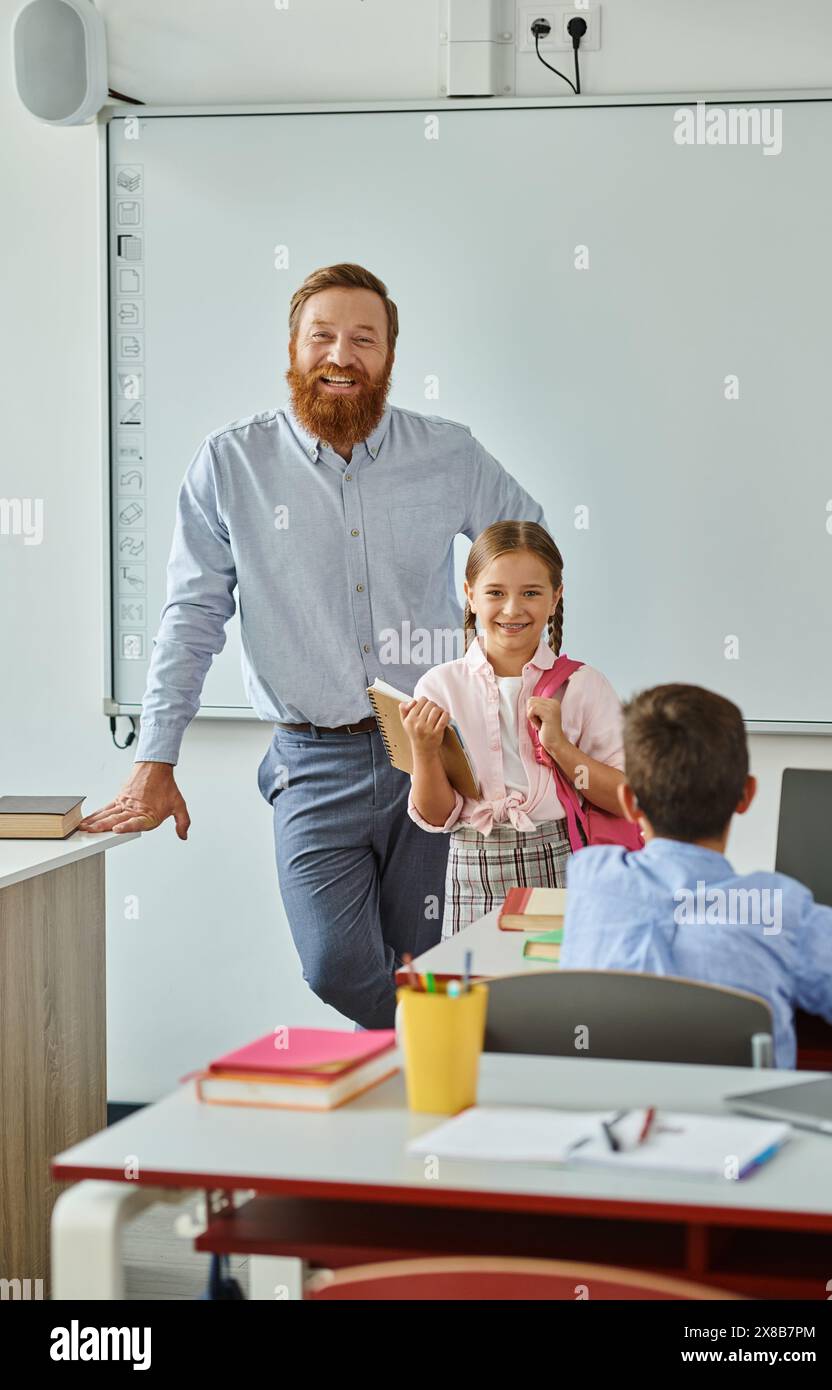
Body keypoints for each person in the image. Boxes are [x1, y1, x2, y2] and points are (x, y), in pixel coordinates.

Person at [79, 263, 545, 1029]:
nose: (341, 354)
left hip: (429, 749)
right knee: (335, 964)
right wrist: (154, 759)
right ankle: (439, 1048)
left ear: (390, 356)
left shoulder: (449, 454)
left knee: (431, 953)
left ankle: (427, 1112)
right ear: (292, 351)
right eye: (322, 336)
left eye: (364, 338)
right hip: (309, 759)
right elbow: (192, 616)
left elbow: (530, 551)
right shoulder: (232, 465)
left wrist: (490, 672)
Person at [560, 683, 832, 1067]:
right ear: (747, 796)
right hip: (744, 1125)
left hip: (616, 1120)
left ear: (628, 801)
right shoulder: (784, 912)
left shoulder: (592, 878)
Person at [400, 521, 626, 936]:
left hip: (559, 857)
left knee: (553, 997)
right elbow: (436, 816)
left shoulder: (584, 686)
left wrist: (560, 747)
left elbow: (626, 797)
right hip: (470, 864)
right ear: (469, 596)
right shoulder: (438, 686)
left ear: (556, 597)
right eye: (495, 593)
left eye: (532, 593)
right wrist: (425, 752)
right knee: (478, 995)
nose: (512, 609)